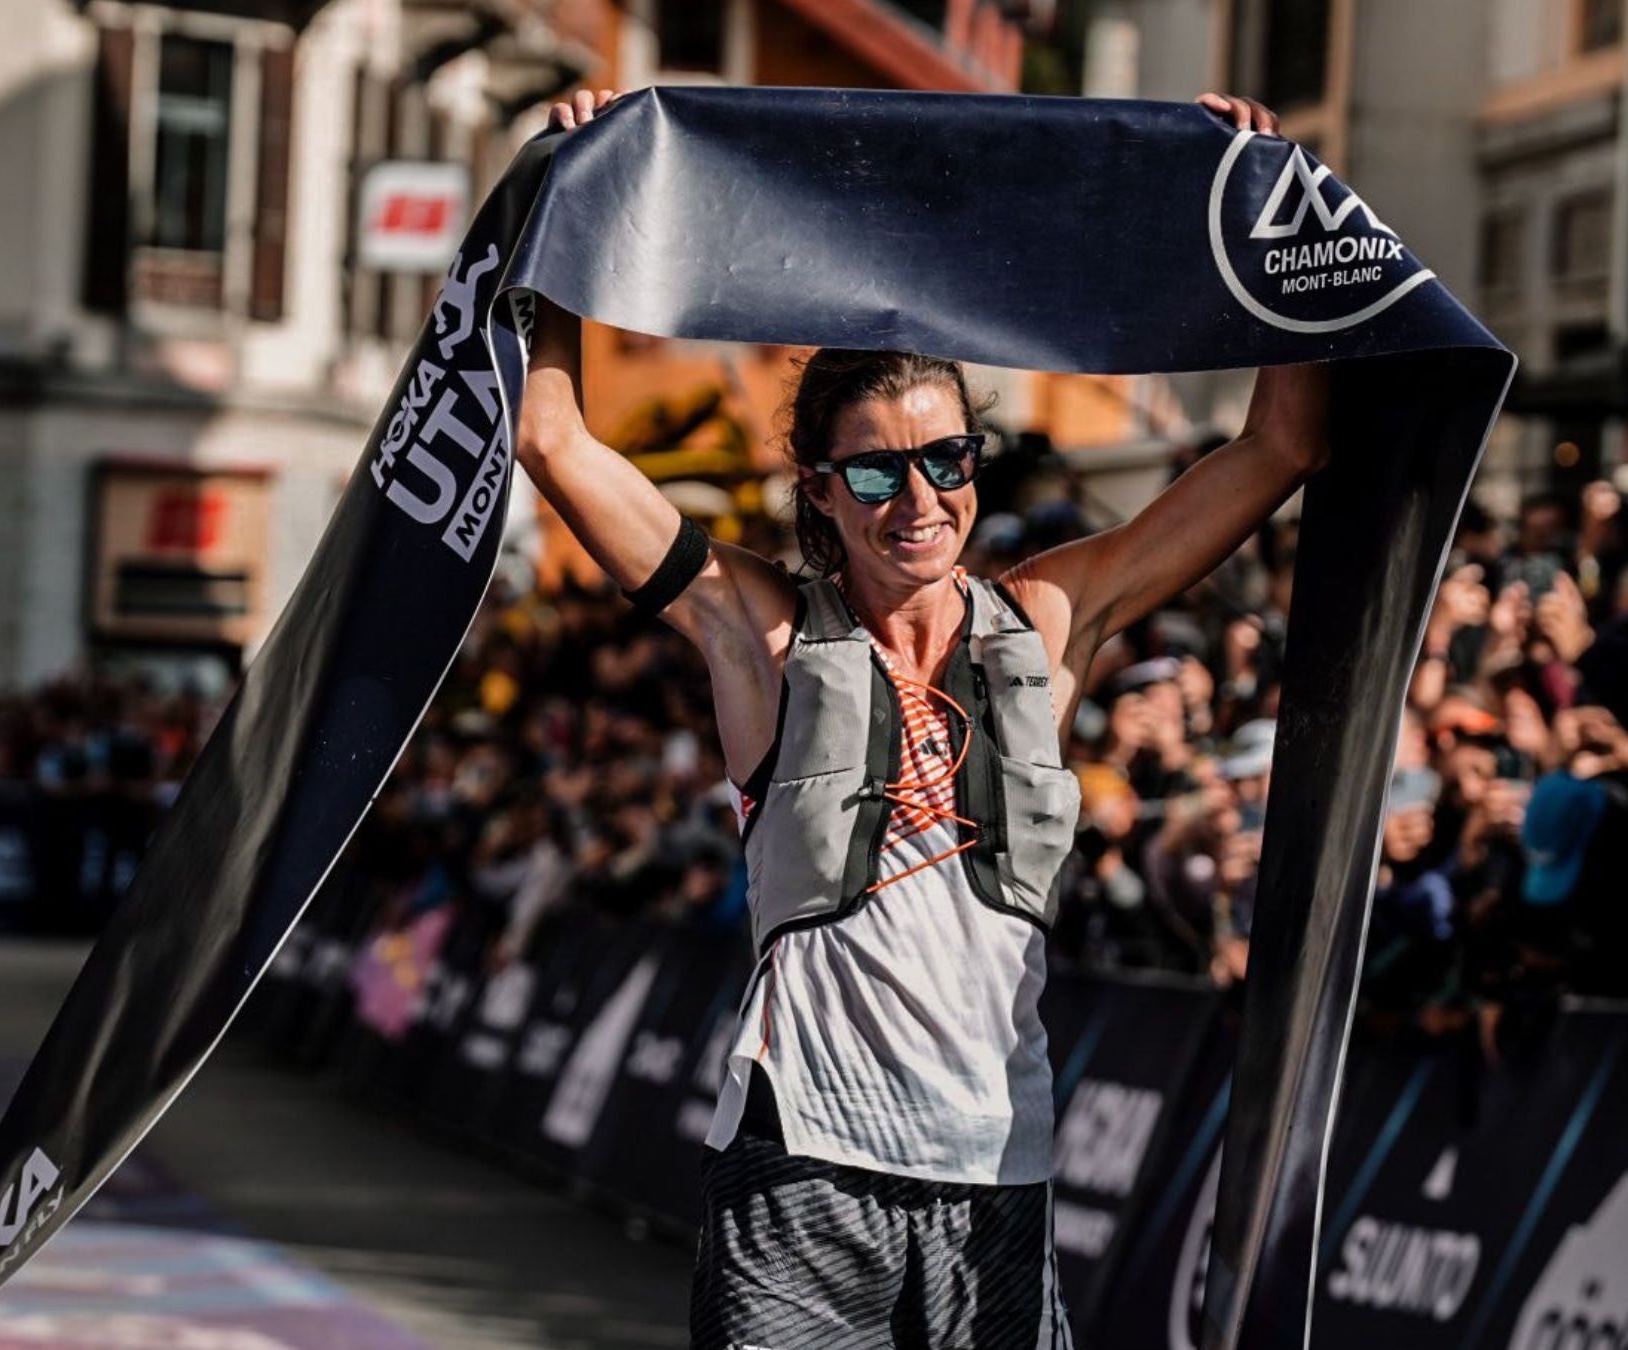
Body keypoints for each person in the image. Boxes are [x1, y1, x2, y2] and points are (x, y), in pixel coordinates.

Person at [520, 87, 1323, 1349]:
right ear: (821, 492)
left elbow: (1278, 447)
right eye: (877, 470)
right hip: (803, 1175)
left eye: (945, 459)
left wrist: (1275, 205)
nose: (919, 498)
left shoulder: (1048, 621)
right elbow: (554, 438)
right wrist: (566, 194)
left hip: (998, 1175)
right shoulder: (766, 631)